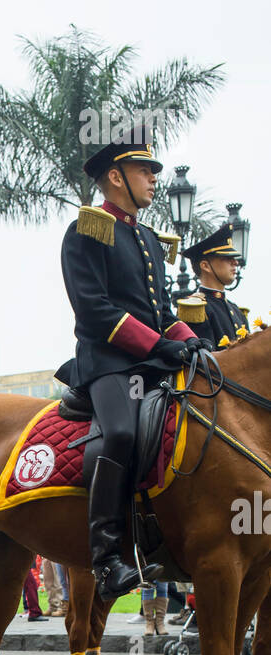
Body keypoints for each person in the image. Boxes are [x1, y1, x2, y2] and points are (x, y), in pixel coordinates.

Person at [60, 128, 200, 601]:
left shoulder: (145, 237)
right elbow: (94, 310)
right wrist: (157, 347)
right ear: (115, 177)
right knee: (120, 432)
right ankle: (105, 560)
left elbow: (161, 314)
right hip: (107, 362)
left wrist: (193, 343)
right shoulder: (89, 226)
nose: (154, 180)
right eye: (146, 171)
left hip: (149, 364)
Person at [182, 224, 250, 347]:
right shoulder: (196, 309)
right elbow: (202, 362)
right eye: (226, 258)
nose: (235, 262)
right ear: (205, 266)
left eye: (234, 258)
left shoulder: (238, 312)